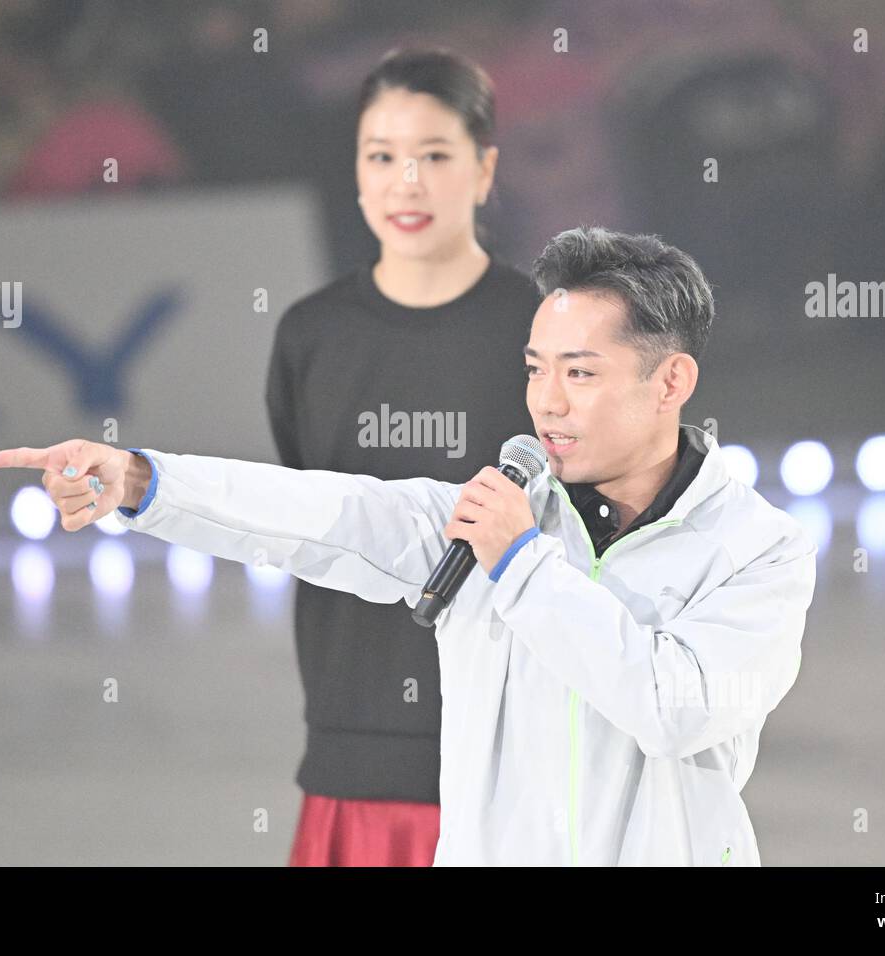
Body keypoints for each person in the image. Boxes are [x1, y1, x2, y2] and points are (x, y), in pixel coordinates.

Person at [0, 226, 817, 866]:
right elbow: (324, 516)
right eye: (536, 369)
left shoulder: (757, 550)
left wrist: (522, 567)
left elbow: (675, 709)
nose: (547, 404)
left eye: (581, 373)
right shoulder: (489, 515)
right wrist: (143, 480)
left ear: (671, 382)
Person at [262, 48, 539, 866]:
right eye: (381, 156)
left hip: (513, 757)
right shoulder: (310, 336)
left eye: (434, 156)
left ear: (485, 170)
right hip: (357, 762)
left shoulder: (542, 331)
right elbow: (309, 520)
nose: (405, 182)